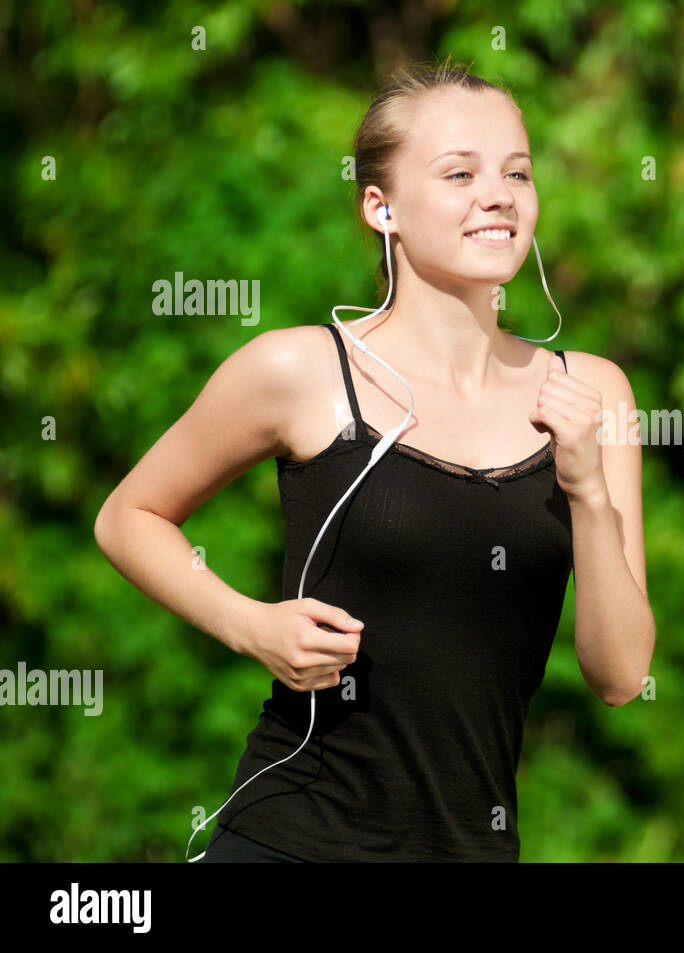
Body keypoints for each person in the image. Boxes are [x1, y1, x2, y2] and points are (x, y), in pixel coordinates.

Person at [93, 58, 655, 862]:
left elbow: (622, 672)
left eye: (517, 172)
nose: (497, 194)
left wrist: (590, 495)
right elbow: (127, 517)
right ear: (380, 206)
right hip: (290, 837)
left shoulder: (593, 392)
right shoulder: (300, 372)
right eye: (459, 172)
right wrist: (251, 625)